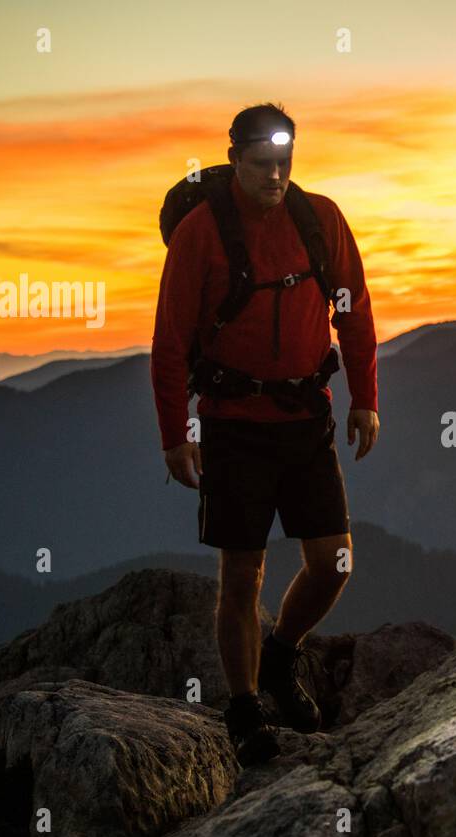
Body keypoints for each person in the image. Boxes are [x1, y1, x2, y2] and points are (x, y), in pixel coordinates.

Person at [150, 102, 380, 767]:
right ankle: (245, 705)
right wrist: (175, 435)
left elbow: (353, 310)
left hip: (308, 417)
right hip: (233, 425)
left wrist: (367, 399)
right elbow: (169, 345)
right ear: (234, 162)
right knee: (241, 574)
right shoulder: (201, 233)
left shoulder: (322, 219)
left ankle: (281, 658)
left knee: (333, 562)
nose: (276, 176)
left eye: (285, 163)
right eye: (262, 165)